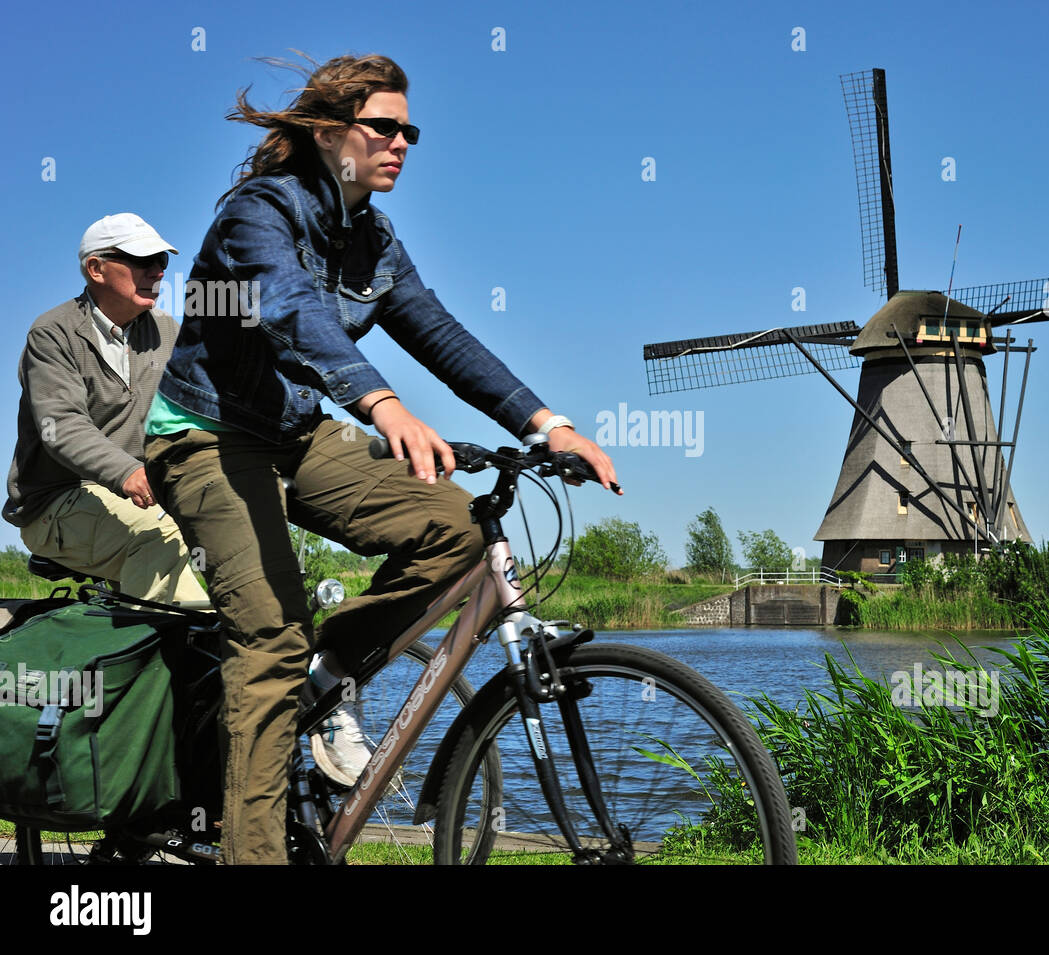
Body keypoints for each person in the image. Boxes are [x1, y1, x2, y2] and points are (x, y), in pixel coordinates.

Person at [142, 53, 617, 864]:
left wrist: (547, 421)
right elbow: (288, 308)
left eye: (410, 130)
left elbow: (438, 332)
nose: (402, 142)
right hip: (206, 434)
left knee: (456, 529)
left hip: (293, 432)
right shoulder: (256, 215)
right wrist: (380, 403)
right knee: (269, 641)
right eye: (384, 127)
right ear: (330, 133)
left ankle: (328, 674)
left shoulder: (373, 239)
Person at [4, 214, 209, 607]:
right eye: (142, 260)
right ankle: (158, 658)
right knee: (160, 535)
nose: (157, 271)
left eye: (162, 262)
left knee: (234, 535)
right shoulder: (52, 333)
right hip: (56, 500)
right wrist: (128, 471)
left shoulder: (168, 332)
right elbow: (60, 425)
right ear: (95, 268)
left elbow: (199, 407)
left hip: (143, 495)